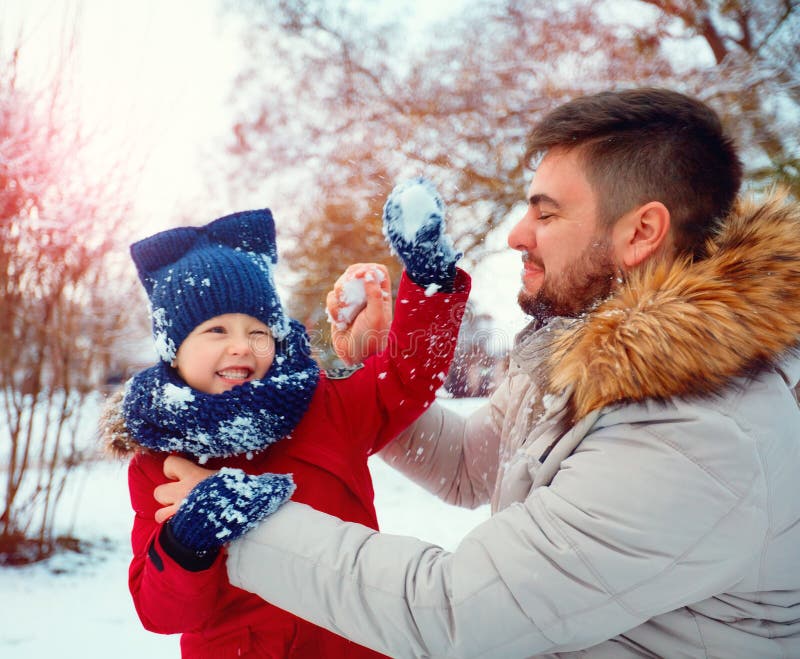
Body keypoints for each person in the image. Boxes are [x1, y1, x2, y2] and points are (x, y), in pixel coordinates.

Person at [156, 88, 800, 658]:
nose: (518, 235)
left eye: (546, 214)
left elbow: (455, 615)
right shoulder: (588, 351)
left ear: (641, 232)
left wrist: (239, 522)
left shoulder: (693, 436)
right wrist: (374, 374)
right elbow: (472, 465)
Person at [100, 180, 471, 658]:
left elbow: (406, 377)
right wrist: (188, 539)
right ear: (174, 350)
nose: (241, 345)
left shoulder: (323, 406)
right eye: (216, 330)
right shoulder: (161, 458)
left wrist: (430, 282)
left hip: (358, 643)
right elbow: (162, 613)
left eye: (259, 330)